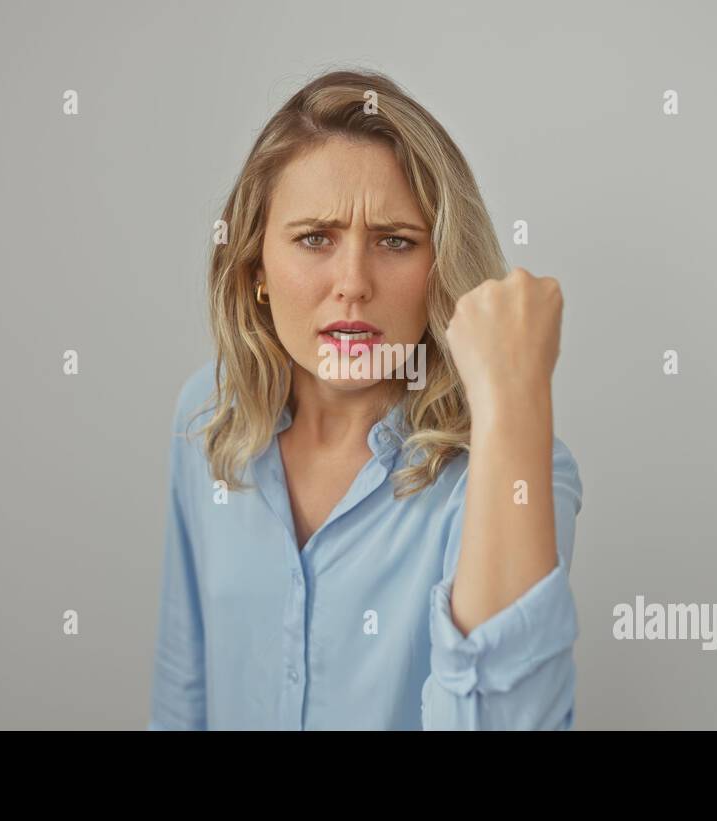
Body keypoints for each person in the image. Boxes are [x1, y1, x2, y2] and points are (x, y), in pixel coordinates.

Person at [149, 68, 582, 730]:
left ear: (441, 267)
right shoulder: (205, 416)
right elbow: (184, 690)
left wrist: (514, 393)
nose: (353, 282)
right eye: (315, 237)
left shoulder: (512, 468)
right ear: (255, 267)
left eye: (395, 241)